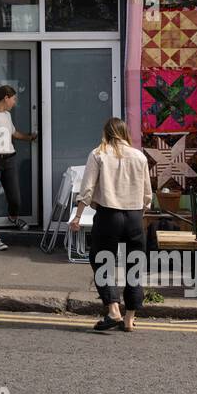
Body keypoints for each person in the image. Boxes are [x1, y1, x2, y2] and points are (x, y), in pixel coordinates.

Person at [69, 118, 153, 333]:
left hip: (108, 215)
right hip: (134, 216)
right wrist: (139, 214)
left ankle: (113, 309)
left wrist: (78, 216)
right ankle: (129, 319)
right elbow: (147, 196)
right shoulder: (139, 156)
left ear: (106, 133)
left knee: (101, 260)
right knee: (134, 266)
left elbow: (86, 190)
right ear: (125, 133)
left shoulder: (98, 154)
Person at [0, 85, 37, 251]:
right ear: (6, 97)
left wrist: (29, 137)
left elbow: (13, 133)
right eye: (14, 99)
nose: (15, 102)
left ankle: (13, 217)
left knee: (15, 198)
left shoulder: (7, 115)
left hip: (9, 160)